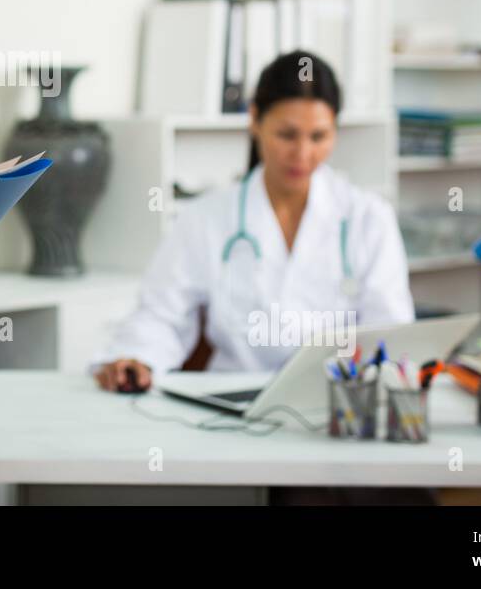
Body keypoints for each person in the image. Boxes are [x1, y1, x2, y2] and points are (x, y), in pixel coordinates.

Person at [94, 50, 413, 391]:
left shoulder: (369, 218)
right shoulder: (206, 218)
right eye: (287, 135)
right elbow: (162, 315)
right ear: (255, 120)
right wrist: (136, 358)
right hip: (231, 401)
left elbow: (391, 333)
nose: (303, 154)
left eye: (318, 136)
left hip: (337, 403)